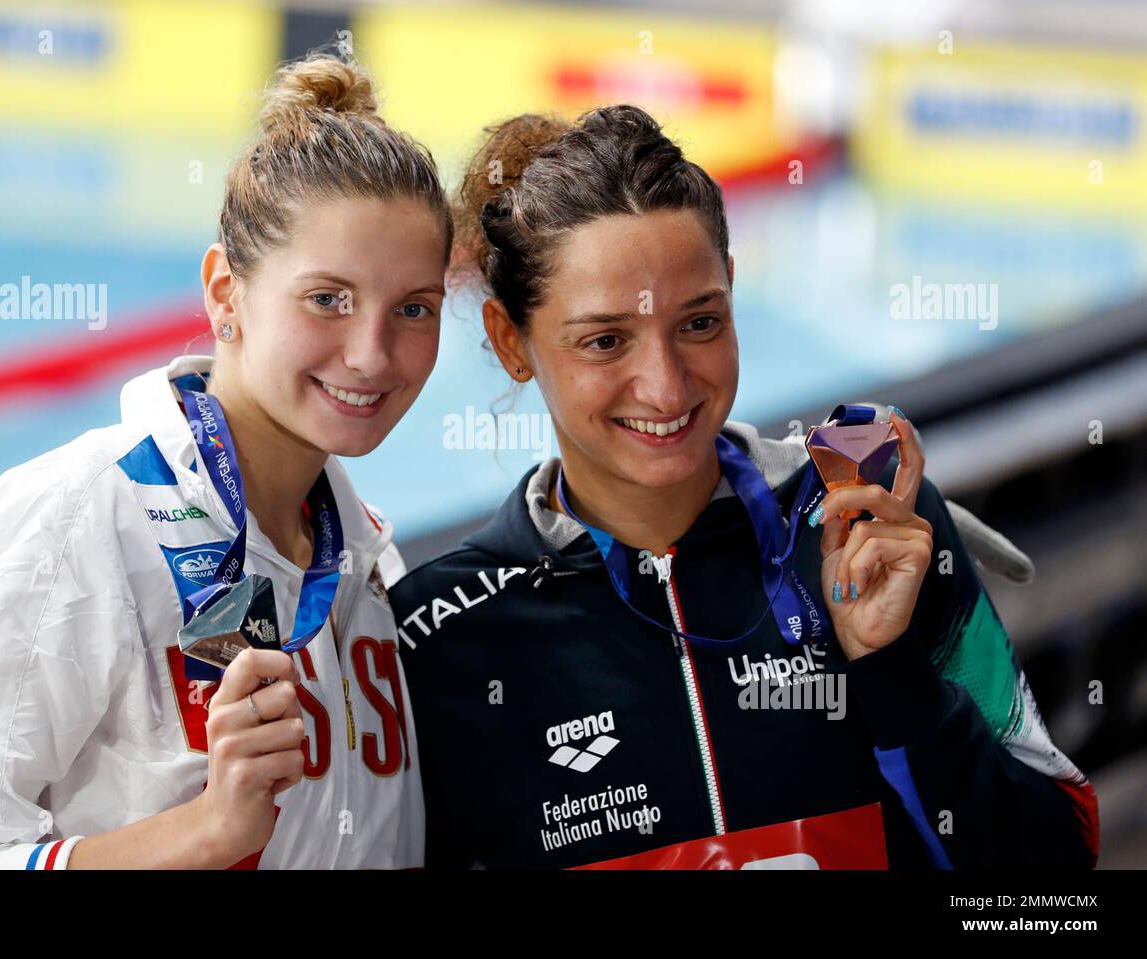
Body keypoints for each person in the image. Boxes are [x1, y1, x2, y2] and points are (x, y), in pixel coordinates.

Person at [389, 105, 1100, 869]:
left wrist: (893, 673)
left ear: (731, 288)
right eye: (605, 341)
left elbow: (1054, 876)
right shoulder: (441, 636)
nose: (665, 388)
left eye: (699, 324)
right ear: (510, 341)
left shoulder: (870, 523)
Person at [0, 51, 452, 870]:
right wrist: (203, 832)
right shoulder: (71, 526)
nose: (373, 354)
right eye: (327, 299)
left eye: (413, 308)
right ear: (224, 293)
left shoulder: (363, 563)